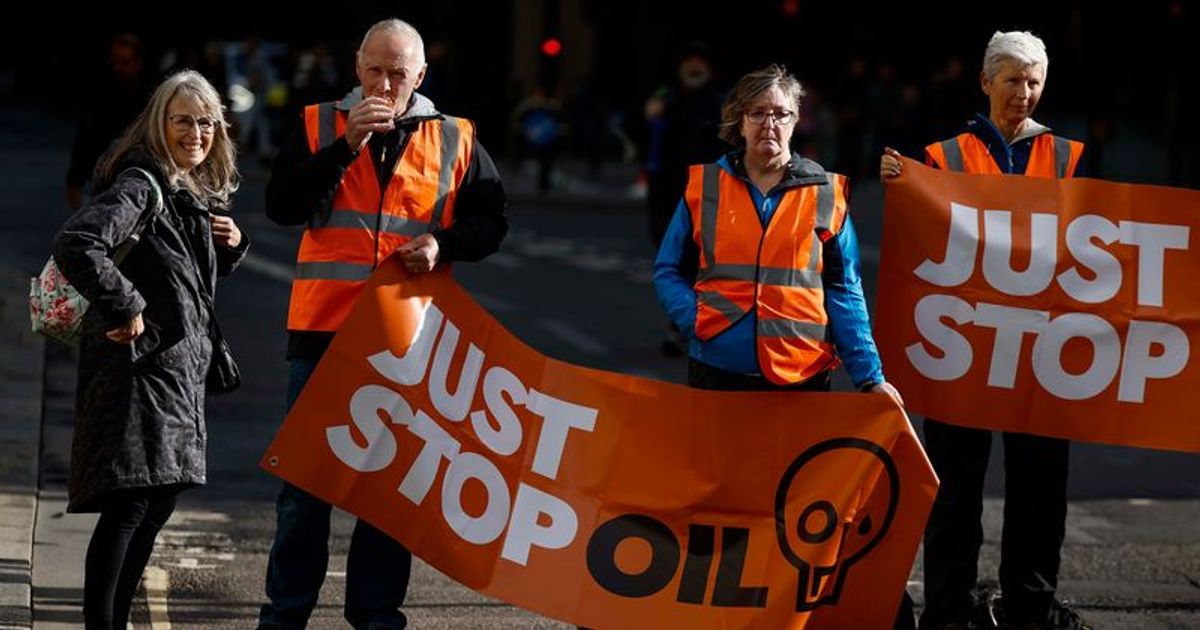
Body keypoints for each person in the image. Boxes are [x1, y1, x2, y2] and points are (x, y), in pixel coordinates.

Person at [258, 18, 509, 630]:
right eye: (376, 69)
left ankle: (375, 615)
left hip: (405, 341)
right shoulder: (319, 124)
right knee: (304, 492)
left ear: (421, 75)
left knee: (390, 492)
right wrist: (344, 146)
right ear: (357, 67)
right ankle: (285, 614)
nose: (387, 82)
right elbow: (281, 205)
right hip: (322, 334)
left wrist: (443, 244)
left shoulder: (457, 138)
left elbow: (493, 222)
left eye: (400, 72)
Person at [653, 63, 910, 626]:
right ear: (738, 122)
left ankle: (774, 613)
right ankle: (711, 612)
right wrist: (692, 318)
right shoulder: (705, 185)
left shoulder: (827, 193)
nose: (769, 124)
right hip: (719, 369)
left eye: (781, 114)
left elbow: (845, 290)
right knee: (718, 501)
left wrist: (869, 375)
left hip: (800, 375)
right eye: (758, 113)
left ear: (798, 122)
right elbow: (667, 268)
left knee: (789, 505)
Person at [880, 31, 1090, 630]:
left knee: (1040, 489)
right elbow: (919, 239)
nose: (1023, 93)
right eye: (1012, 80)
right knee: (953, 489)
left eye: (1033, 81)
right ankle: (950, 610)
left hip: (1042, 350)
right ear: (985, 83)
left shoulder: (1071, 156)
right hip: (963, 350)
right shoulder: (941, 157)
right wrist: (897, 179)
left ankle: (1030, 605)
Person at [53, 69, 246, 630]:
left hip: (172, 375)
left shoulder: (185, 190)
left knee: (155, 502)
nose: (197, 133)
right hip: (139, 372)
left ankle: (112, 621)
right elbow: (79, 241)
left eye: (207, 122)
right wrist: (125, 305)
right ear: (158, 123)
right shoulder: (143, 183)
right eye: (183, 120)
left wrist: (233, 246)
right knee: (132, 504)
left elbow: (182, 279)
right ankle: (101, 624)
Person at [644, 42, 726, 356]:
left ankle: (684, 326)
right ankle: (682, 323)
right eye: (689, 60)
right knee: (672, 259)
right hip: (667, 191)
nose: (694, 67)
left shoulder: (719, 105)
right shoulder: (666, 99)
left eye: (700, 61)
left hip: (706, 193)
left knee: (697, 261)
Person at [65, 32, 151, 211]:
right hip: (105, 176)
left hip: (142, 177)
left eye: (124, 62)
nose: (117, 67)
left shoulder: (152, 97)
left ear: (138, 63)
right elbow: (85, 137)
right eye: (114, 61)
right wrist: (74, 180)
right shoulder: (101, 92)